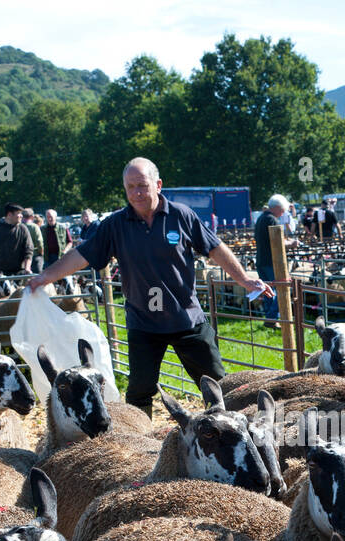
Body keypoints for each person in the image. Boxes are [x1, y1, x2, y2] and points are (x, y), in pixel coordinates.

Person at [27, 157, 273, 419]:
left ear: (158, 185)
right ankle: (138, 443)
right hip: (144, 324)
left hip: (186, 319)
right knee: (139, 392)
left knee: (218, 385)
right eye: (130, 187)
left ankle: (233, 433)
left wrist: (245, 279)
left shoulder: (181, 216)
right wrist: (46, 276)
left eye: (142, 185)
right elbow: (83, 254)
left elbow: (215, 248)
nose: (136, 193)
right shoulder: (115, 225)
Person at [253, 194, 298, 329]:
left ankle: (270, 318)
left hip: (261, 259)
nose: (283, 213)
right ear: (277, 208)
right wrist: (292, 244)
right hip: (273, 262)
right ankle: (272, 319)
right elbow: (278, 243)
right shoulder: (272, 220)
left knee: (268, 290)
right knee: (282, 288)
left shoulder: (261, 218)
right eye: (282, 210)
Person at [23, 209, 45, 273]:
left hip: (22, 257)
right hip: (35, 255)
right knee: (37, 275)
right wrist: (41, 252)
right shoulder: (34, 227)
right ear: (32, 217)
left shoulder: (19, 227)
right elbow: (39, 242)